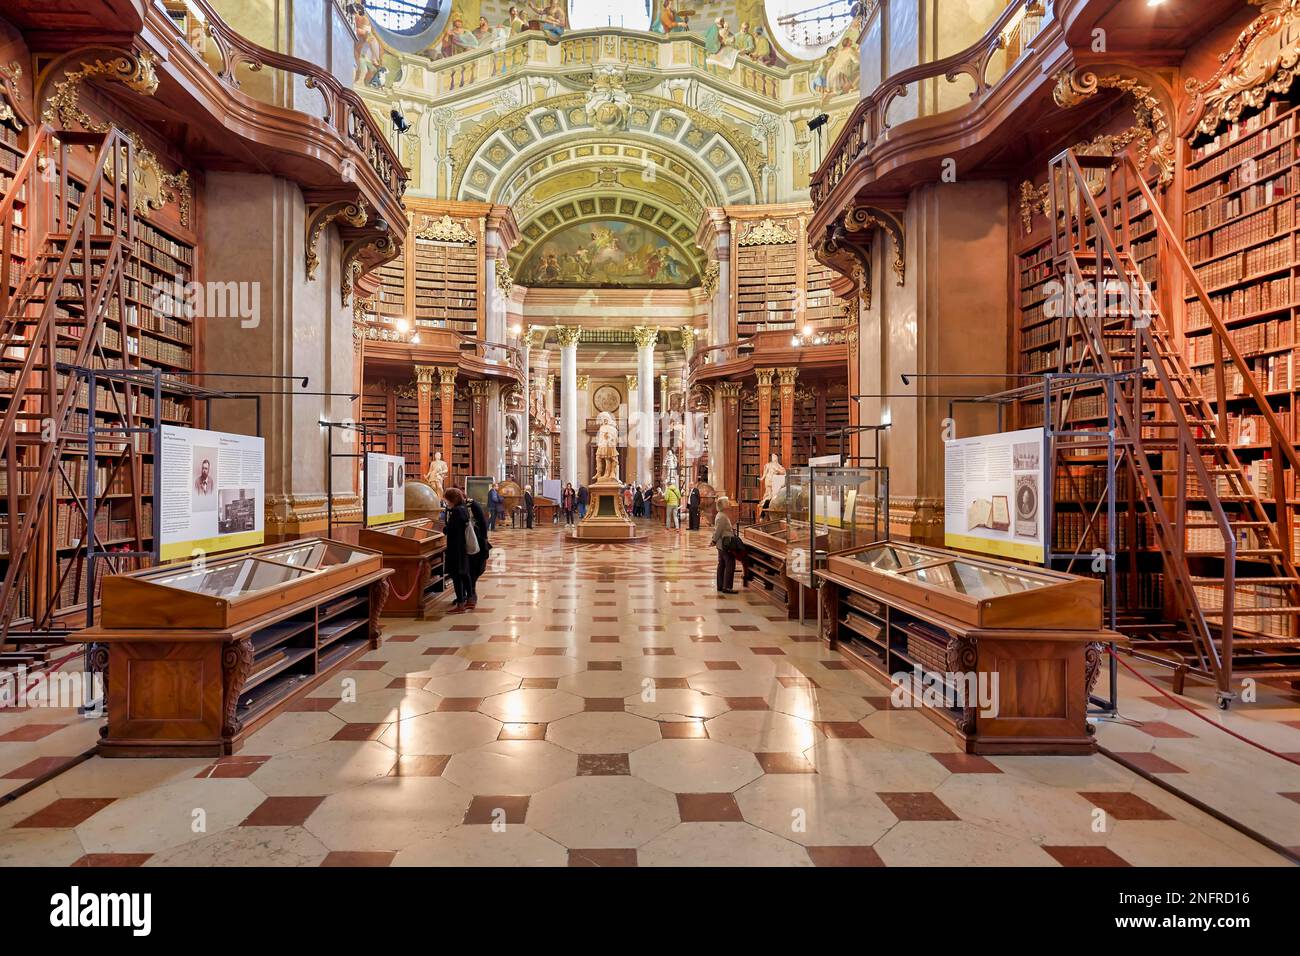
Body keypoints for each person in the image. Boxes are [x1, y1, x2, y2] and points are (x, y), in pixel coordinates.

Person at [441, 488, 475, 613]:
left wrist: (444, 528)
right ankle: (470, 599)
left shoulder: (456, 511)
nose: (447, 502)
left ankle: (460, 603)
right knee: (465, 573)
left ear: (452, 499)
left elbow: (450, 529)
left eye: (447, 500)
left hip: (456, 548)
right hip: (462, 546)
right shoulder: (464, 509)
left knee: (456, 576)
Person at [466, 491, 491, 608]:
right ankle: (465, 595)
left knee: (475, 568)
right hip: (466, 544)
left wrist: (484, 538)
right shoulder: (459, 508)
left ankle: (471, 593)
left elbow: (482, 522)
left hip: (477, 542)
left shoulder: (472, 505)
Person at [710, 496, 739, 593]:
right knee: (730, 564)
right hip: (725, 544)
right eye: (727, 503)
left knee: (722, 564)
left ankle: (721, 585)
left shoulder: (721, 515)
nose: (729, 504)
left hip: (721, 544)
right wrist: (713, 540)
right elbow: (718, 531)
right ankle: (727, 587)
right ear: (724, 505)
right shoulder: (722, 516)